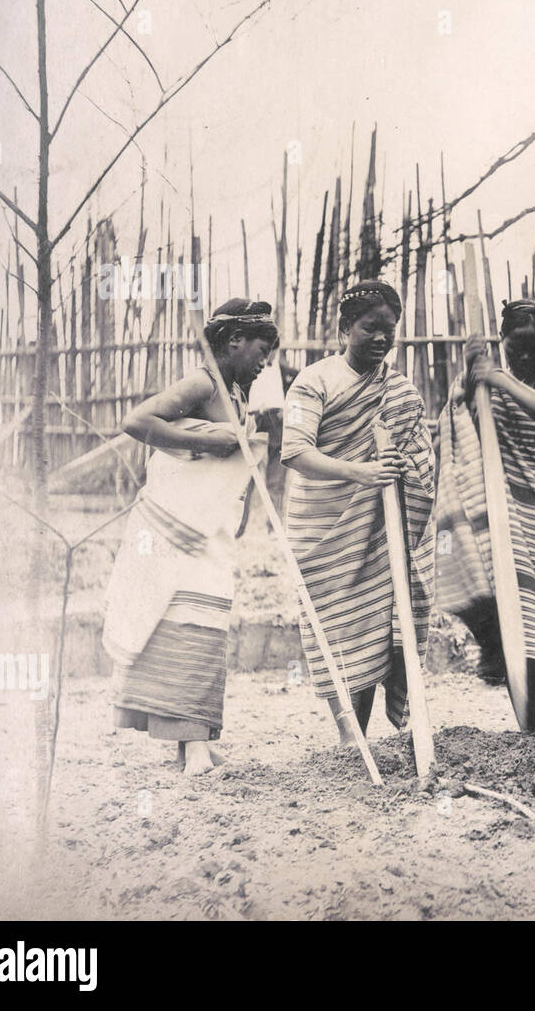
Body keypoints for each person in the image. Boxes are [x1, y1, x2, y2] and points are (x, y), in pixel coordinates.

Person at [104, 298, 278, 776]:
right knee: (186, 631)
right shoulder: (203, 382)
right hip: (180, 531)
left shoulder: (237, 393)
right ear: (234, 341)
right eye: (261, 349)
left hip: (211, 532)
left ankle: (191, 745)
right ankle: (194, 749)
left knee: (202, 630)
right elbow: (137, 422)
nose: (266, 362)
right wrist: (206, 440)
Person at [281, 281, 437, 745]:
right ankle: (349, 732)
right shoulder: (314, 381)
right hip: (323, 525)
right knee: (333, 620)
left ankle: (364, 732)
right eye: (370, 328)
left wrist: (403, 470)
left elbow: (422, 462)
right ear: (345, 328)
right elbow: (293, 451)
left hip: (382, 524)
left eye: (389, 330)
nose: (381, 339)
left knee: (376, 621)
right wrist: (361, 472)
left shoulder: (401, 391)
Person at [434, 299, 535, 737]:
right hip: (512, 518)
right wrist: (470, 380)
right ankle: (530, 726)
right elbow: (461, 428)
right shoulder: (484, 386)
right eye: (513, 348)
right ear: (501, 343)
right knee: (521, 619)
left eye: (533, 349)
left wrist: (498, 377)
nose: (523, 357)